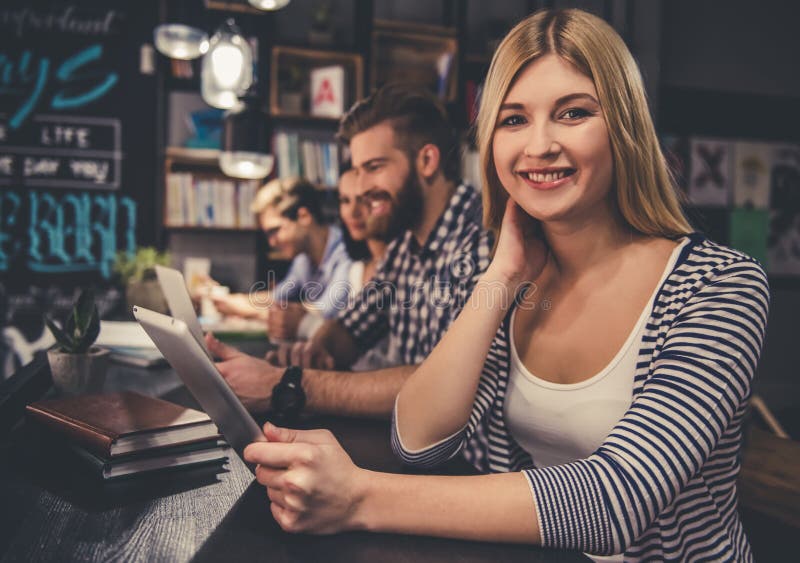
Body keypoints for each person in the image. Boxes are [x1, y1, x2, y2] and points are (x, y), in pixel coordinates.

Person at [238, 9, 769, 562]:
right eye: (513, 120)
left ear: (624, 127)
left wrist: (360, 496)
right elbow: (418, 442)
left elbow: (618, 501)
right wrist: (501, 277)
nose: (538, 145)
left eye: (573, 113)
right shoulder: (513, 277)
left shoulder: (719, 287)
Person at [205, 84, 493, 417]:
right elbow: (351, 329)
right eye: (357, 170)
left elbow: (444, 384)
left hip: (464, 461)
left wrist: (290, 385)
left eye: (373, 167)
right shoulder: (405, 246)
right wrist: (315, 352)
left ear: (427, 160)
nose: (362, 187)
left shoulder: (480, 240)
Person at [271, 167, 394, 370]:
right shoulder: (356, 270)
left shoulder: (401, 266)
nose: (354, 212)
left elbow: (326, 313)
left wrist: (304, 324)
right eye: (345, 201)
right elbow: (344, 337)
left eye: (364, 199)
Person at [210, 177, 351, 340]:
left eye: (275, 230)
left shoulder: (347, 253)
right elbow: (277, 297)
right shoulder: (303, 259)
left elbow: (323, 313)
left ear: (303, 217)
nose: (272, 242)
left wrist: (247, 309)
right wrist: (233, 300)